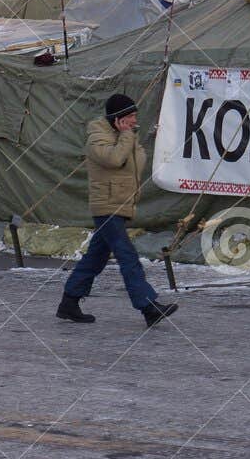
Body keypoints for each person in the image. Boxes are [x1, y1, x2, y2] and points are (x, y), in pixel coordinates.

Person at [58, 93, 179, 329]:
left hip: (120, 204)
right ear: (117, 118)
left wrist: (127, 138)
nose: (134, 120)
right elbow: (114, 160)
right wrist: (126, 137)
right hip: (107, 206)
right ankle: (148, 307)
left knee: (95, 258)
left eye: (135, 116)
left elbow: (138, 160)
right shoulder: (97, 137)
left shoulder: (125, 136)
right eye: (130, 116)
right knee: (128, 256)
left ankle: (69, 302)